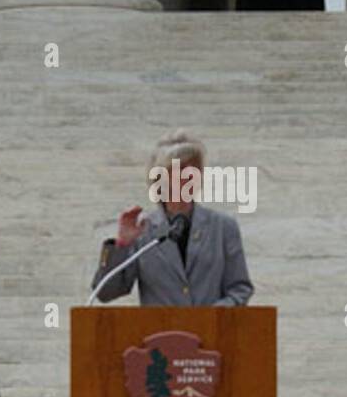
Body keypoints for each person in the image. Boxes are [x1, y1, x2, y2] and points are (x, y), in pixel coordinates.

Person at [91, 130, 253, 306]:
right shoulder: (143, 230)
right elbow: (106, 293)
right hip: (159, 331)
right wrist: (122, 245)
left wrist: (212, 316)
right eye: (179, 172)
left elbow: (240, 289)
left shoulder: (223, 227)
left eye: (194, 171)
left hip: (213, 331)